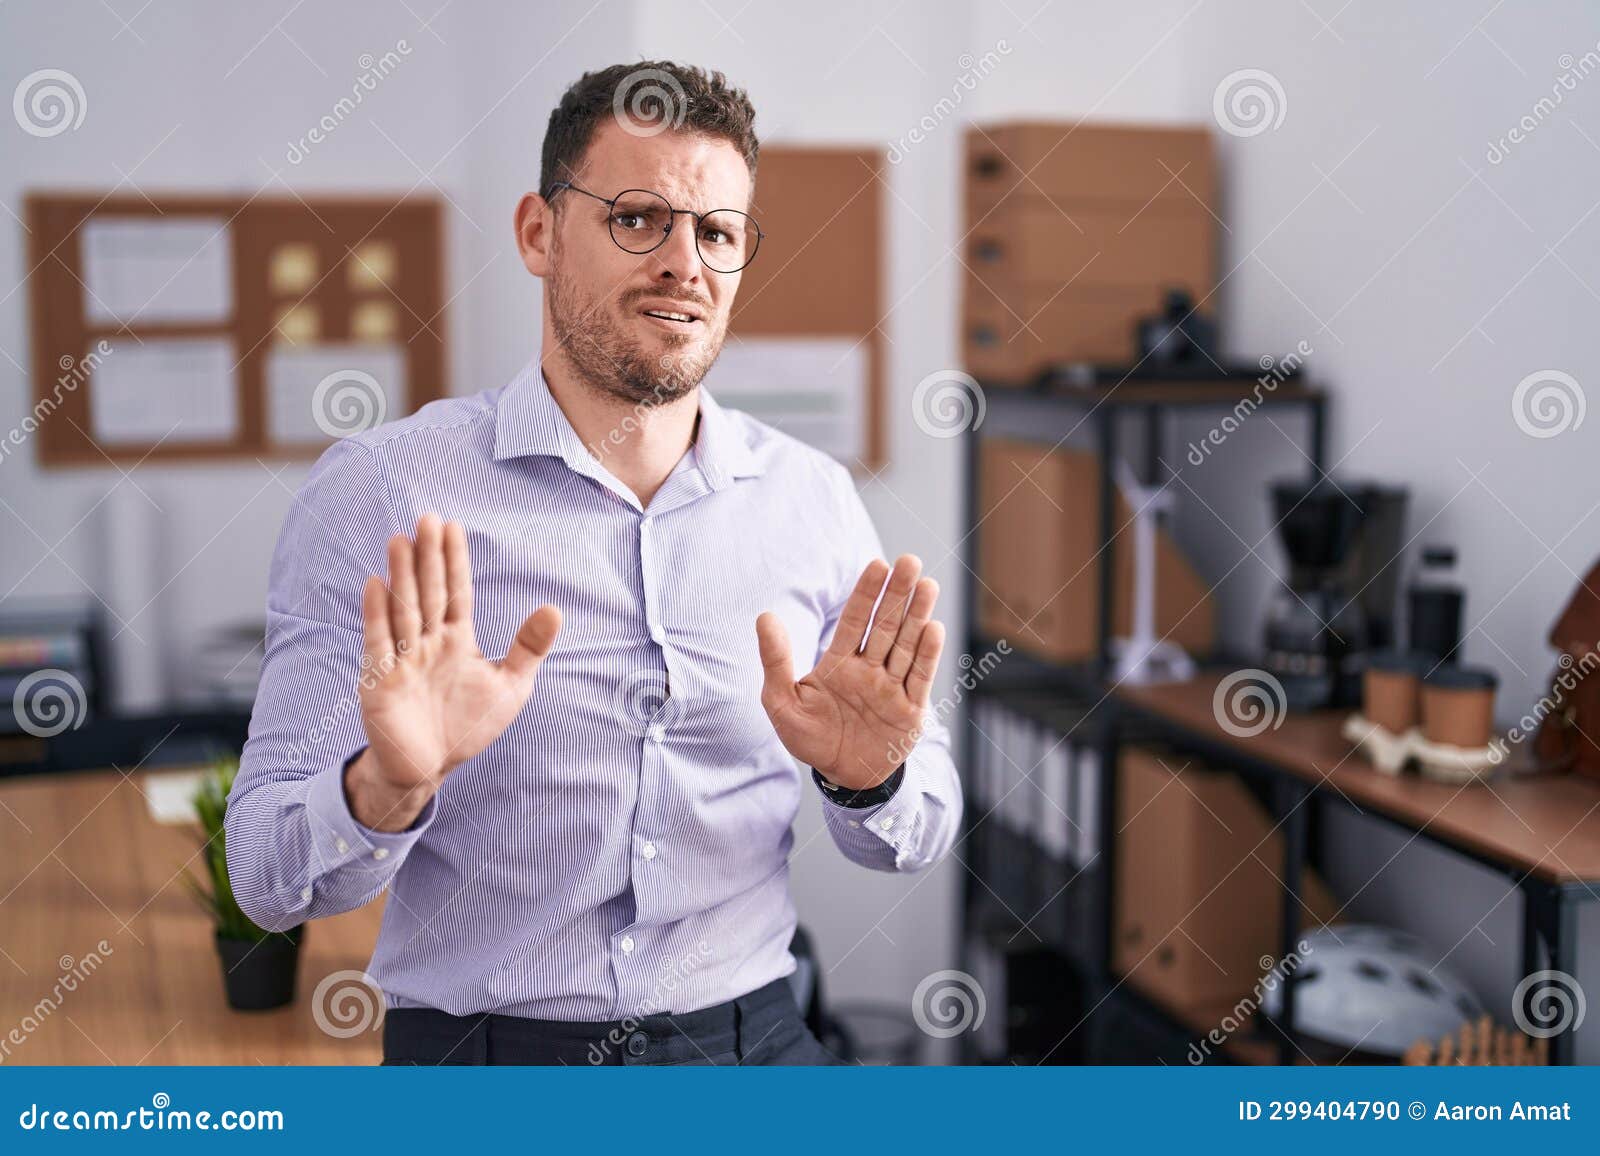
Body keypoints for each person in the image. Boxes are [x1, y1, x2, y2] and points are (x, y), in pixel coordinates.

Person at [225, 60, 962, 1066]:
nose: (683, 263)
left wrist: (869, 781)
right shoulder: (381, 492)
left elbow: (922, 824)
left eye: (716, 232)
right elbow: (266, 879)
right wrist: (386, 785)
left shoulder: (811, 500)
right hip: (486, 1063)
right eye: (636, 219)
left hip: (756, 1043)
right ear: (538, 232)